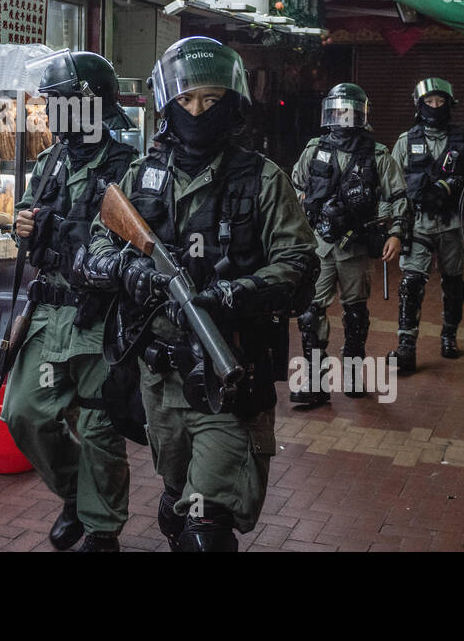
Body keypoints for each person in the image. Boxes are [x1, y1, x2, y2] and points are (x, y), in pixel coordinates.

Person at [84, 37, 318, 552]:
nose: (197, 111)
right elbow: (93, 251)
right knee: (177, 501)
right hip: (159, 377)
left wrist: (229, 295)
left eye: (211, 100)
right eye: (187, 100)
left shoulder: (262, 179)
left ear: (232, 104)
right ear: (168, 104)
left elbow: (299, 266)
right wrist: (126, 268)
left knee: (206, 530)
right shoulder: (140, 176)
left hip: (229, 371)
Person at [1, 50, 138, 553]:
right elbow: (32, 227)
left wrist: (66, 231)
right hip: (48, 309)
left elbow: (133, 242)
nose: (51, 112)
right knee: (24, 412)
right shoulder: (49, 162)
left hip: (101, 315)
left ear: (89, 105)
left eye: (60, 103)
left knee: (102, 425)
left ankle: (102, 529)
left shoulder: (129, 167)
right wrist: (26, 226)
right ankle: (76, 495)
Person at [289, 84, 408, 403]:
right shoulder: (314, 149)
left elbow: (397, 196)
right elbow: (295, 188)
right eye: (337, 111)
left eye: (348, 111)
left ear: (360, 115)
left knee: (355, 313)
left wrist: (396, 232)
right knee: (311, 313)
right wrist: (312, 208)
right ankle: (314, 384)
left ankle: (354, 376)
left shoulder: (377, 154)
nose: (342, 117)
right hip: (319, 245)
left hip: (355, 246)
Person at [389, 78, 464, 372]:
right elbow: (394, 188)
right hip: (417, 224)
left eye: (440, 101)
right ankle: (406, 347)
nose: (434, 107)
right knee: (411, 285)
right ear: (419, 106)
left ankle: (449, 336)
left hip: (452, 226)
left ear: (449, 104)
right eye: (429, 102)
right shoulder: (405, 141)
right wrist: (394, 227)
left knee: (454, 284)